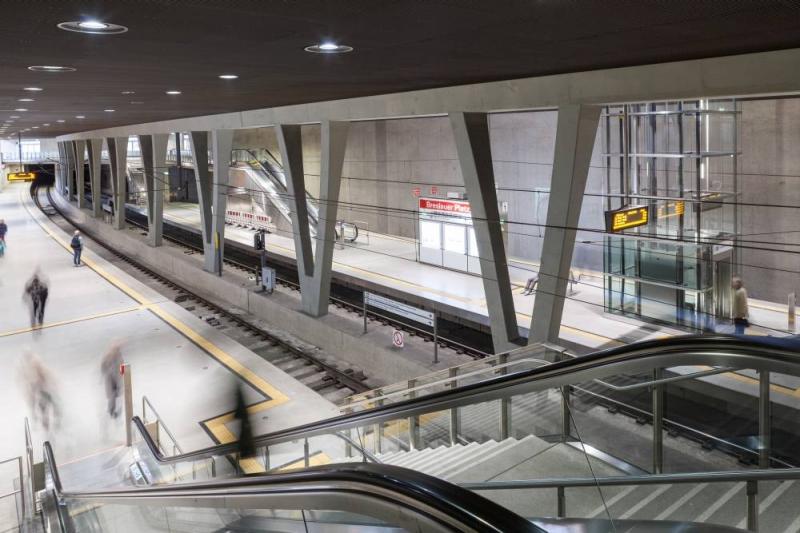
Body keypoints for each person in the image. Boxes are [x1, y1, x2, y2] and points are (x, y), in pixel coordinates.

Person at [20, 352, 60, 433]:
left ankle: (54, 428)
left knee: (52, 409)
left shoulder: (36, 367)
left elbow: (48, 378)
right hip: (42, 393)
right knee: (45, 412)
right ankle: (48, 430)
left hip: (45, 392)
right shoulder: (32, 371)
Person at [100, 342, 124, 419]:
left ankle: (114, 411)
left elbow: (122, 367)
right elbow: (103, 366)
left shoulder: (119, 357)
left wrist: (121, 374)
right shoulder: (108, 357)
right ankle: (111, 411)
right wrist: (104, 375)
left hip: (115, 379)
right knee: (112, 396)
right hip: (110, 379)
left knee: (116, 395)